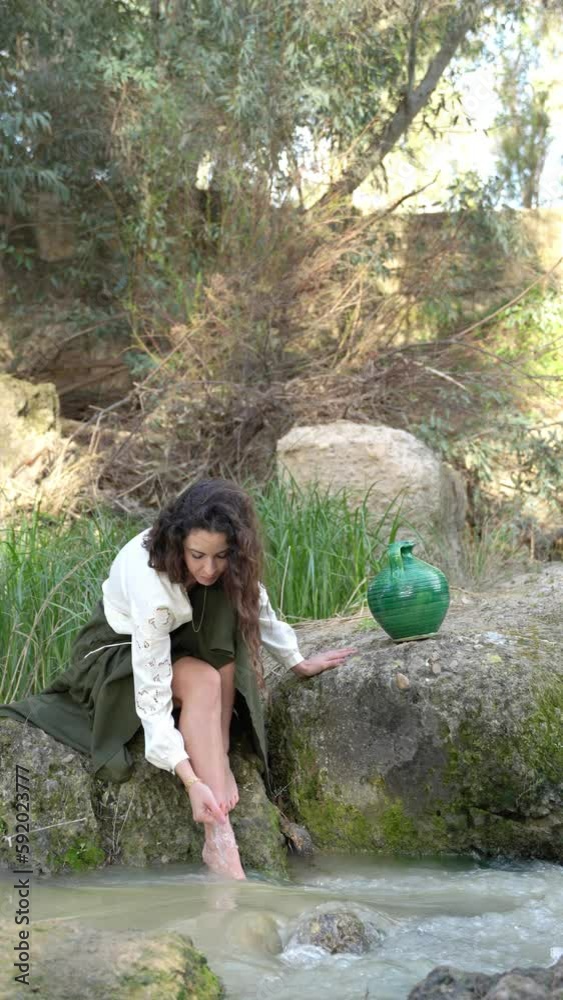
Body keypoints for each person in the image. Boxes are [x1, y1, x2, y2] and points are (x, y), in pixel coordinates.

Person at [0, 478, 357, 880]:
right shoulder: (152, 587)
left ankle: (218, 753)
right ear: (177, 542)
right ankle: (218, 834)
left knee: (227, 598)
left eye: (221, 555)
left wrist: (297, 661)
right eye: (198, 555)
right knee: (203, 681)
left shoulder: (220, 569)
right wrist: (190, 779)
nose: (209, 567)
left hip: (179, 641)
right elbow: (153, 698)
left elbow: (257, 604)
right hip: (116, 652)